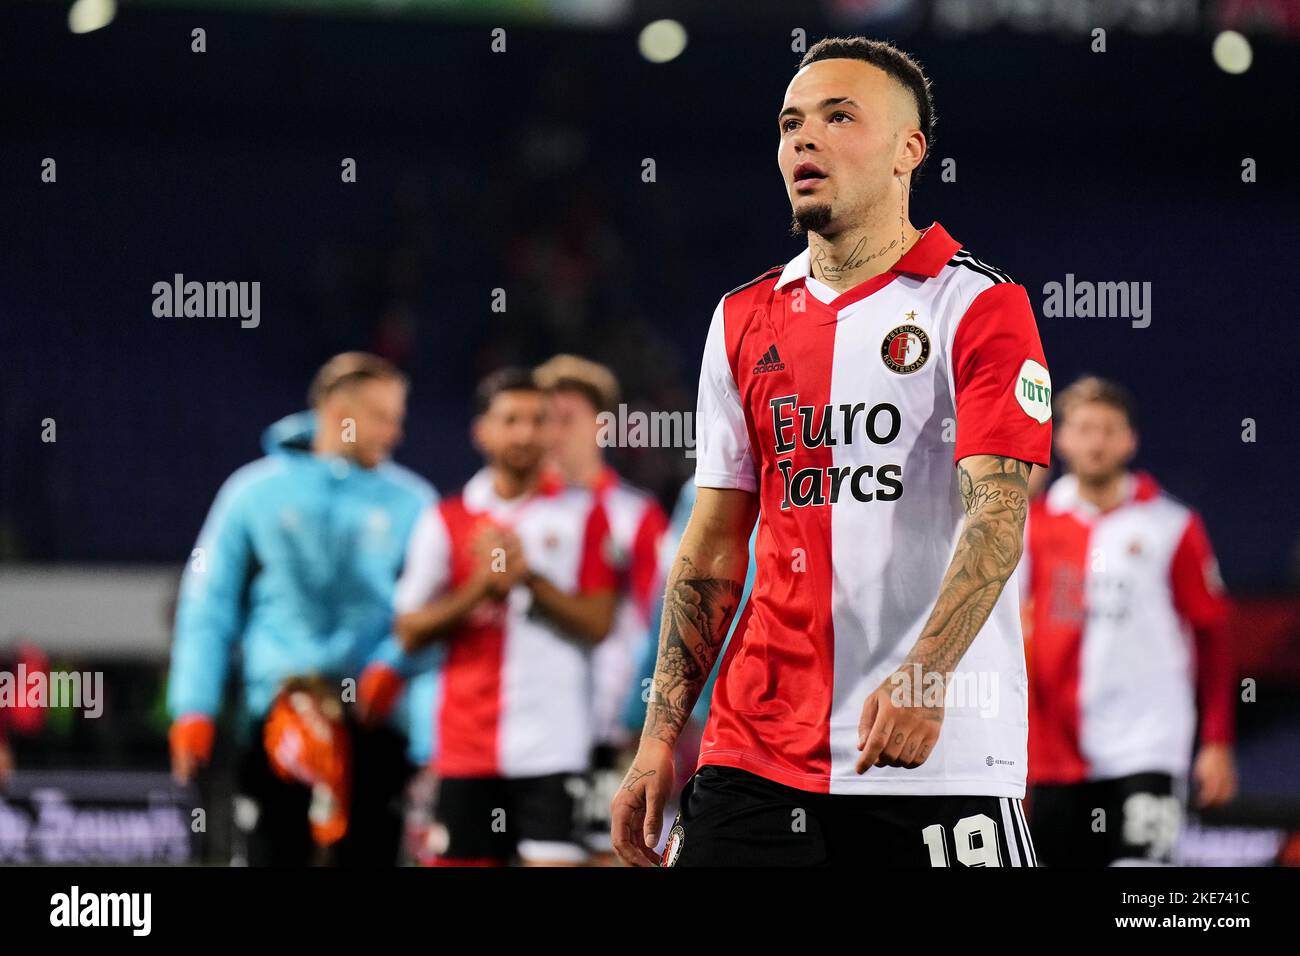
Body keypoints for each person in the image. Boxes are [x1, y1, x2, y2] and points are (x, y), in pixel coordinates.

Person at [610, 35, 1052, 867]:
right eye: (790, 123)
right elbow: (709, 552)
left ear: (907, 151)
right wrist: (658, 739)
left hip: (936, 756)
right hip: (754, 754)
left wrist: (926, 676)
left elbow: (997, 515)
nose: (803, 139)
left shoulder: (980, 305)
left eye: (838, 117)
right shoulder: (741, 318)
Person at [167, 352, 435, 865]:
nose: (395, 433)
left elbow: (434, 612)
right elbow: (208, 605)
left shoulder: (412, 502)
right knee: (273, 856)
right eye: (383, 417)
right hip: (277, 717)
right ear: (339, 415)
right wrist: (192, 707)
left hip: (376, 722)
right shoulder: (252, 494)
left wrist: (395, 668)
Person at [394, 367, 618, 866]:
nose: (525, 433)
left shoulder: (586, 514)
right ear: (482, 431)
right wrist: (481, 588)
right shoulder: (446, 518)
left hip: (557, 748)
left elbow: (599, 623)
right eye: (511, 419)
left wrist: (528, 580)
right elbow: (408, 631)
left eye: (539, 420)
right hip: (467, 747)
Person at [1023, 376, 1236, 865]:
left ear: (1129, 440)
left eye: (1108, 429)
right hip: (1055, 752)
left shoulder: (1171, 526)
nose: (1096, 441)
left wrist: (1218, 742)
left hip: (1149, 746)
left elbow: (1213, 635)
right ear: (1061, 438)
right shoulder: (1032, 525)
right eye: (1083, 428)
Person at [533, 354, 669, 863]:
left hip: (608, 726)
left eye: (568, 418)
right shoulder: (514, 511)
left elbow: (658, 622)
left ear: (602, 427)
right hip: (530, 725)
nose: (553, 432)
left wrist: (644, 714)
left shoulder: (637, 517)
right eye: (545, 418)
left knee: (610, 852)